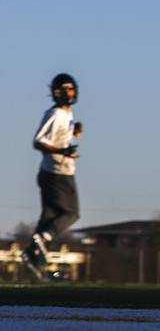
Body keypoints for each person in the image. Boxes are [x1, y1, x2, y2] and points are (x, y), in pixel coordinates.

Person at [22, 73, 83, 275]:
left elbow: (58, 135)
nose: (68, 93)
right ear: (56, 93)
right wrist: (62, 151)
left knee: (49, 217)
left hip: (53, 172)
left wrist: (73, 132)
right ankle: (42, 239)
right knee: (71, 213)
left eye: (70, 89)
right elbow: (38, 142)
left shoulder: (67, 114)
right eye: (64, 90)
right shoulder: (56, 114)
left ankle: (32, 256)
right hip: (58, 173)